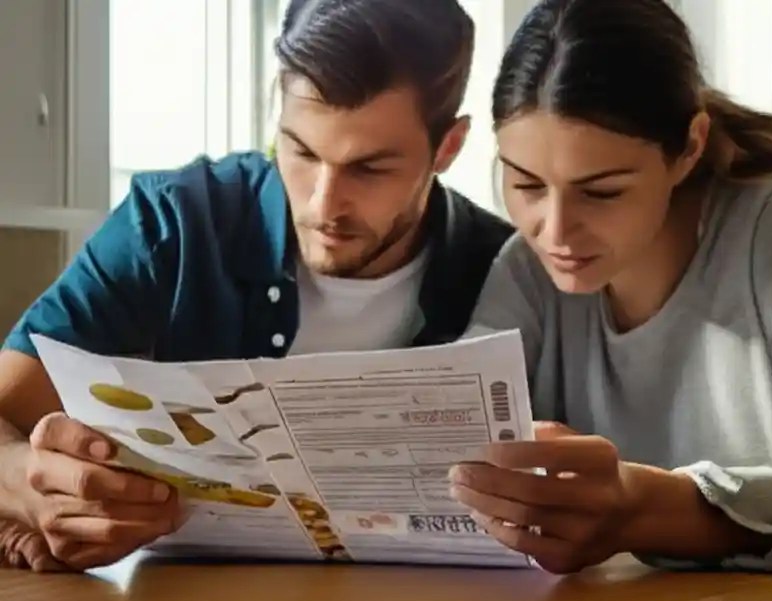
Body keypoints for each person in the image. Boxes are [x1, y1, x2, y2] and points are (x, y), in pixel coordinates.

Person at [0, 0, 512, 571]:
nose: (322, 205)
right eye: (300, 150)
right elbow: (8, 404)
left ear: (449, 147)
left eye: (369, 168)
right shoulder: (178, 220)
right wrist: (24, 480)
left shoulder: (505, 270)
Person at [452, 0, 772, 575]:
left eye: (603, 191)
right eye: (525, 184)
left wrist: (644, 508)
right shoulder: (528, 263)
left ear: (689, 146)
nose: (554, 231)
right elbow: (453, 421)